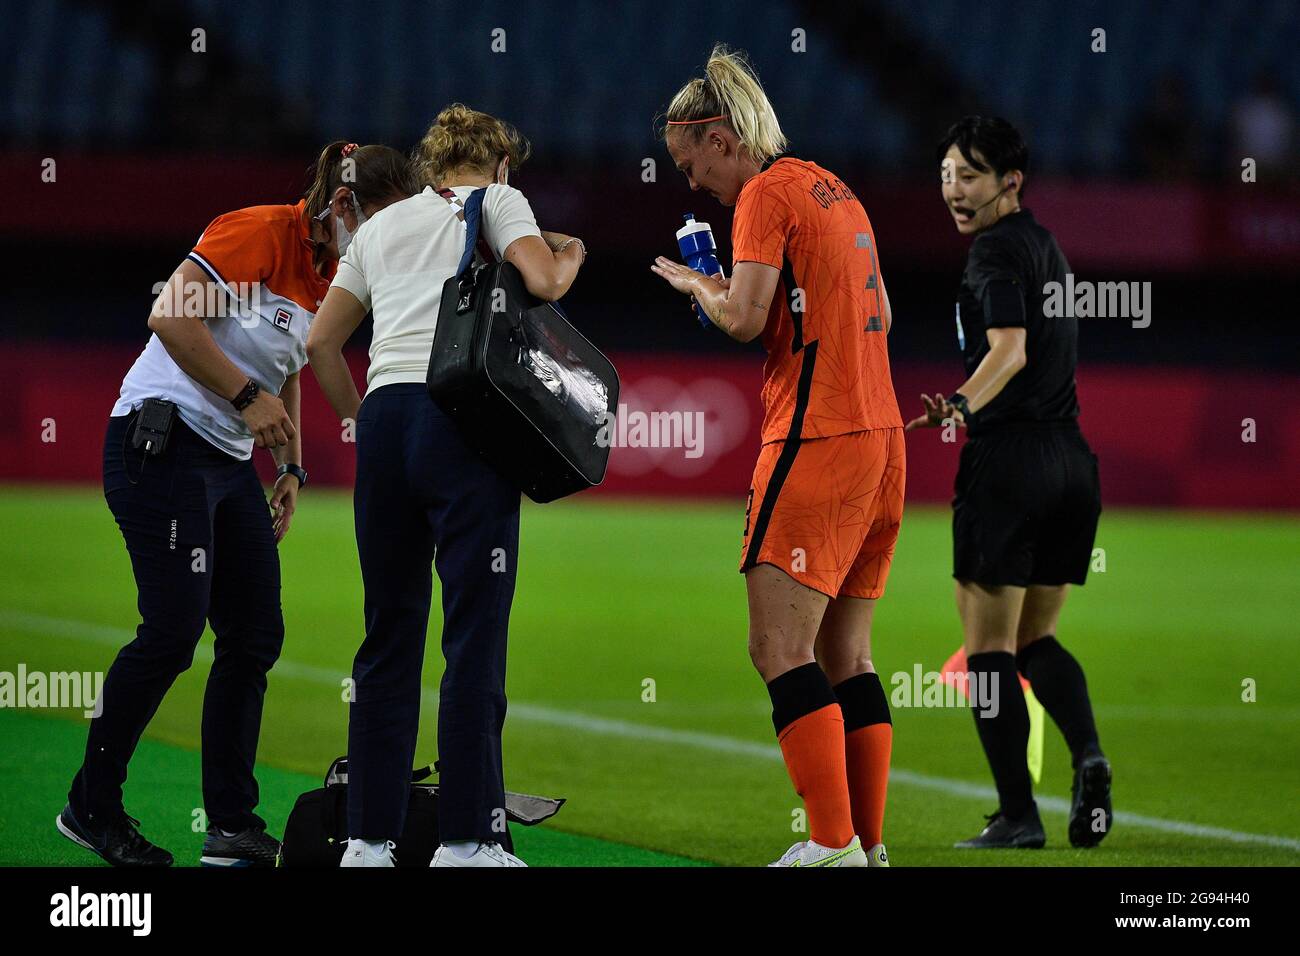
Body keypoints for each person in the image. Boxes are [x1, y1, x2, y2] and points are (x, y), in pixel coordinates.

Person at [58, 141, 416, 867]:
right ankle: (90, 806)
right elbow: (171, 317)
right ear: (342, 205)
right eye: (378, 220)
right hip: (159, 442)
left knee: (253, 636)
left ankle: (230, 828)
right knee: (171, 632)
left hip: (225, 463)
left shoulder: (327, 274)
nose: (383, 240)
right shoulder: (256, 230)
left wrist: (290, 466)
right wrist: (245, 397)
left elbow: (285, 367)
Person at [307, 104, 585, 868]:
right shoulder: (496, 201)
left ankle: (367, 840)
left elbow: (321, 342)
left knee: (386, 642)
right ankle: (468, 840)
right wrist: (573, 250)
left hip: (389, 420)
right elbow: (543, 279)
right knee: (472, 639)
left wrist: (363, 420)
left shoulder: (379, 228)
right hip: (460, 414)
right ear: (498, 164)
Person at [650, 45, 904, 868]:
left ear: (721, 137)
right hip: (884, 440)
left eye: (691, 164)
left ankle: (828, 847)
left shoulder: (762, 193)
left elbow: (749, 320)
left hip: (817, 436)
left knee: (779, 651)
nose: (692, 184)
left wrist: (702, 287)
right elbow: (885, 313)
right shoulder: (836, 187)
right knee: (848, 656)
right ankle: (866, 846)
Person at [905, 115, 1111, 849]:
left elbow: (1011, 351)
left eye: (969, 176)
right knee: (1037, 641)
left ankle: (1018, 815)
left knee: (988, 653)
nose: (953, 191)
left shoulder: (991, 252)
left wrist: (960, 403)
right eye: (945, 177)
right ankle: (1088, 755)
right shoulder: (1046, 246)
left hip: (1009, 465)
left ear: (1009, 182)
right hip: (1071, 464)